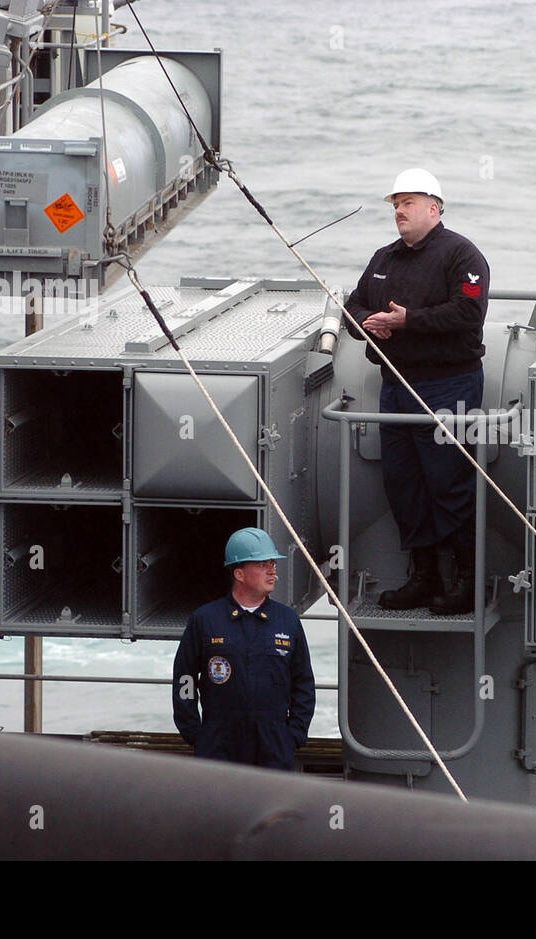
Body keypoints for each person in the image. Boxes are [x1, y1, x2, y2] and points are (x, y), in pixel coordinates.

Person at [344, 168, 490, 615]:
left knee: (450, 483)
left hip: (448, 385)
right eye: (396, 204)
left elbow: (468, 311)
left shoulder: (461, 255)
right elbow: (353, 305)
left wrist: (409, 321)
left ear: (434, 208)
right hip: (396, 387)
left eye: (408, 203)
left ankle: (468, 582)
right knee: (403, 484)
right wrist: (368, 323)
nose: (399, 212)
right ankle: (425, 577)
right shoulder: (384, 259)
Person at [172, 527, 315, 769]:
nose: (272, 571)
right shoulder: (205, 620)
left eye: (272, 563)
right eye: (262, 564)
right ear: (239, 573)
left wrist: (293, 736)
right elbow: (184, 678)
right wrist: (196, 733)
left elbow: (303, 683)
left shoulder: (287, 620)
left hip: (273, 744)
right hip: (219, 743)